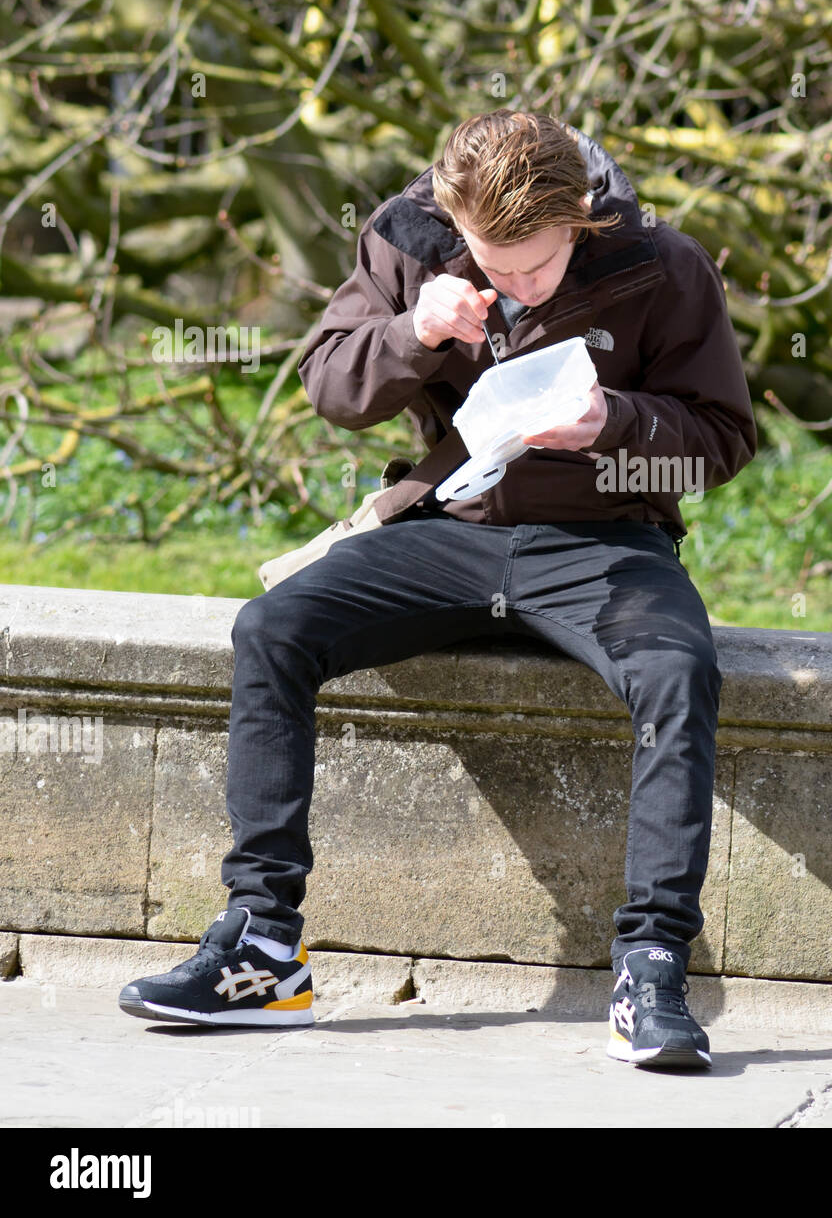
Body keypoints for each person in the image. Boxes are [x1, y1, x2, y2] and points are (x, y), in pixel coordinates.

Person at [118, 109, 757, 1069]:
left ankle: (654, 963)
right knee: (273, 629)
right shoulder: (409, 240)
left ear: (579, 217)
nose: (512, 287)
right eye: (491, 264)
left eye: (535, 269)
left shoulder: (663, 264)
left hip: (605, 543)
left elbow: (722, 438)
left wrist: (614, 423)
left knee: (676, 667)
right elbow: (331, 386)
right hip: (447, 529)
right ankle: (259, 944)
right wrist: (414, 333)